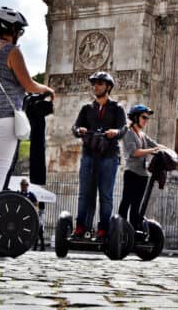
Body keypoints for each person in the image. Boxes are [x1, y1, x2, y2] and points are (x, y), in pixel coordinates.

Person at [0, 6, 54, 231]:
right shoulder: (13, 52)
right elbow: (28, 85)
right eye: (19, 30)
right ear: (12, 29)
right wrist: (47, 89)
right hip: (4, 114)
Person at [72, 71, 126, 239]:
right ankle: (81, 227)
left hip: (109, 155)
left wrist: (115, 131)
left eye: (100, 84)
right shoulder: (87, 108)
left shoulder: (116, 108)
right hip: (89, 154)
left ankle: (103, 229)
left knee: (105, 195)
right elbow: (75, 128)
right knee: (84, 193)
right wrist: (79, 130)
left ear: (108, 87)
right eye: (94, 84)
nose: (95, 86)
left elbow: (123, 129)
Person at [118, 104, 161, 230]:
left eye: (147, 118)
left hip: (143, 175)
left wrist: (168, 152)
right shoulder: (128, 132)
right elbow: (134, 152)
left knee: (136, 205)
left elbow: (156, 145)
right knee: (126, 202)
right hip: (131, 173)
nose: (146, 120)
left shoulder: (142, 134)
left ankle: (133, 230)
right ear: (135, 117)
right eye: (144, 117)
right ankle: (120, 228)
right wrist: (151, 150)